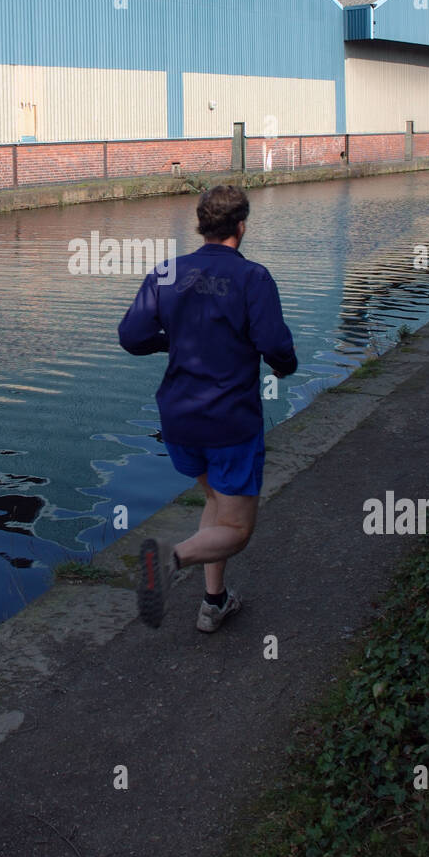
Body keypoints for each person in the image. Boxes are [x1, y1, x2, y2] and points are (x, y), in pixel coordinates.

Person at [118, 183, 297, 632]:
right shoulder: (252, 277)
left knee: (216, 500)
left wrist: (171, 341)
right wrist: (283, 365)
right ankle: (167, 561)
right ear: (241, 226)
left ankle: (213, 603)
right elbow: (275, 344)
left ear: (201, 226)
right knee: (236, 531)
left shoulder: (165, 273)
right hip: (230, 422)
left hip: (179, 418)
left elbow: (131, 336)